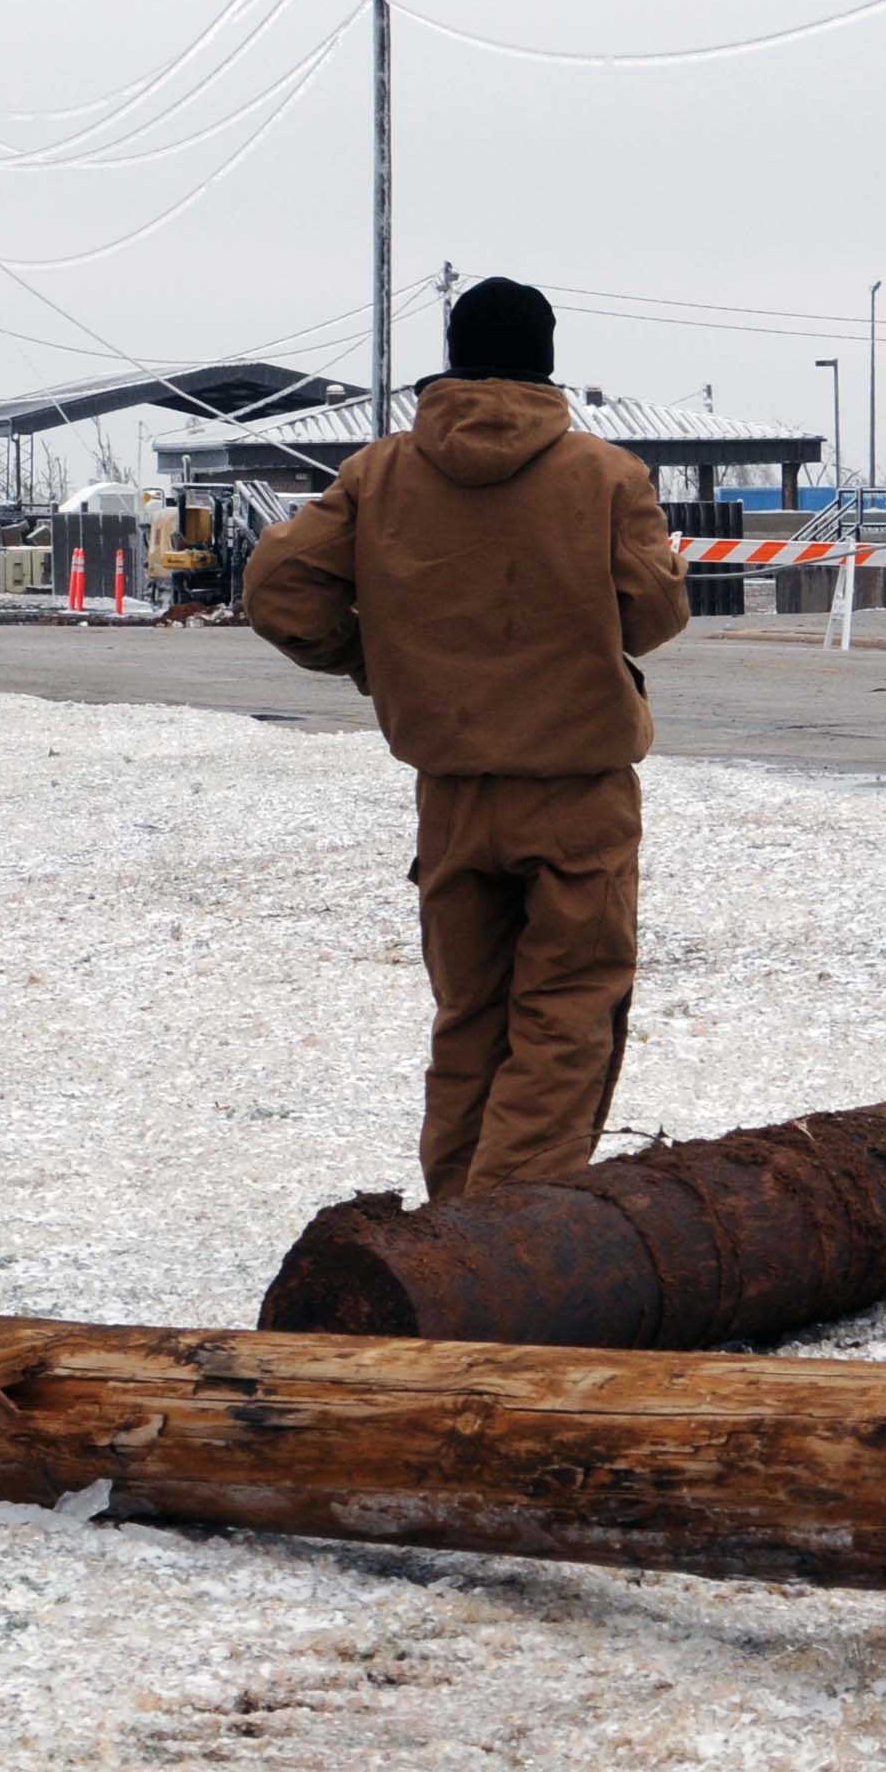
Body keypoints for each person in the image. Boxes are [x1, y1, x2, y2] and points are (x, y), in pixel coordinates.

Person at [243, 277, 691, 1199]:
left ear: (452, 355)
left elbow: (280, 593)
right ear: (547, 360)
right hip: (576, 793)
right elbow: (652, 618)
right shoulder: (606, 475)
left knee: (469, 1017)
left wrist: (379, 662)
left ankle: (452, 1219)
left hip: (448, 796)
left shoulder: (378, 474)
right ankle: (504, 1237)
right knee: (567, 1015)